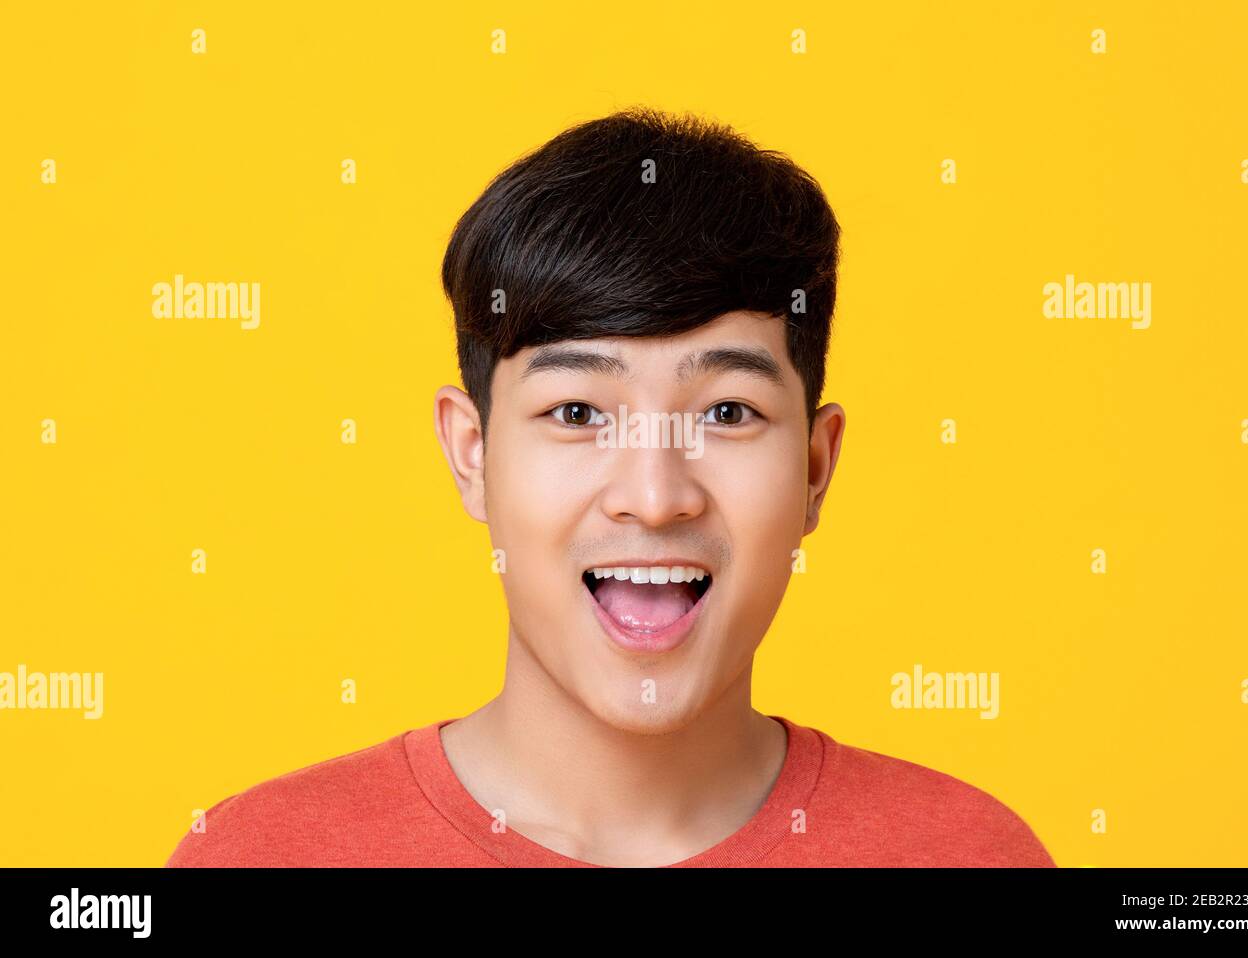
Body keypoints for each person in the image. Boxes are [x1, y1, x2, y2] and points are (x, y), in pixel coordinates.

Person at [166, 107, 1054, 868]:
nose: (655, 495)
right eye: (580, 413)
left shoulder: (967, 855)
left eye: (729, 413)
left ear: (816, 468)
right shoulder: (262, 855)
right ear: (471, 453)